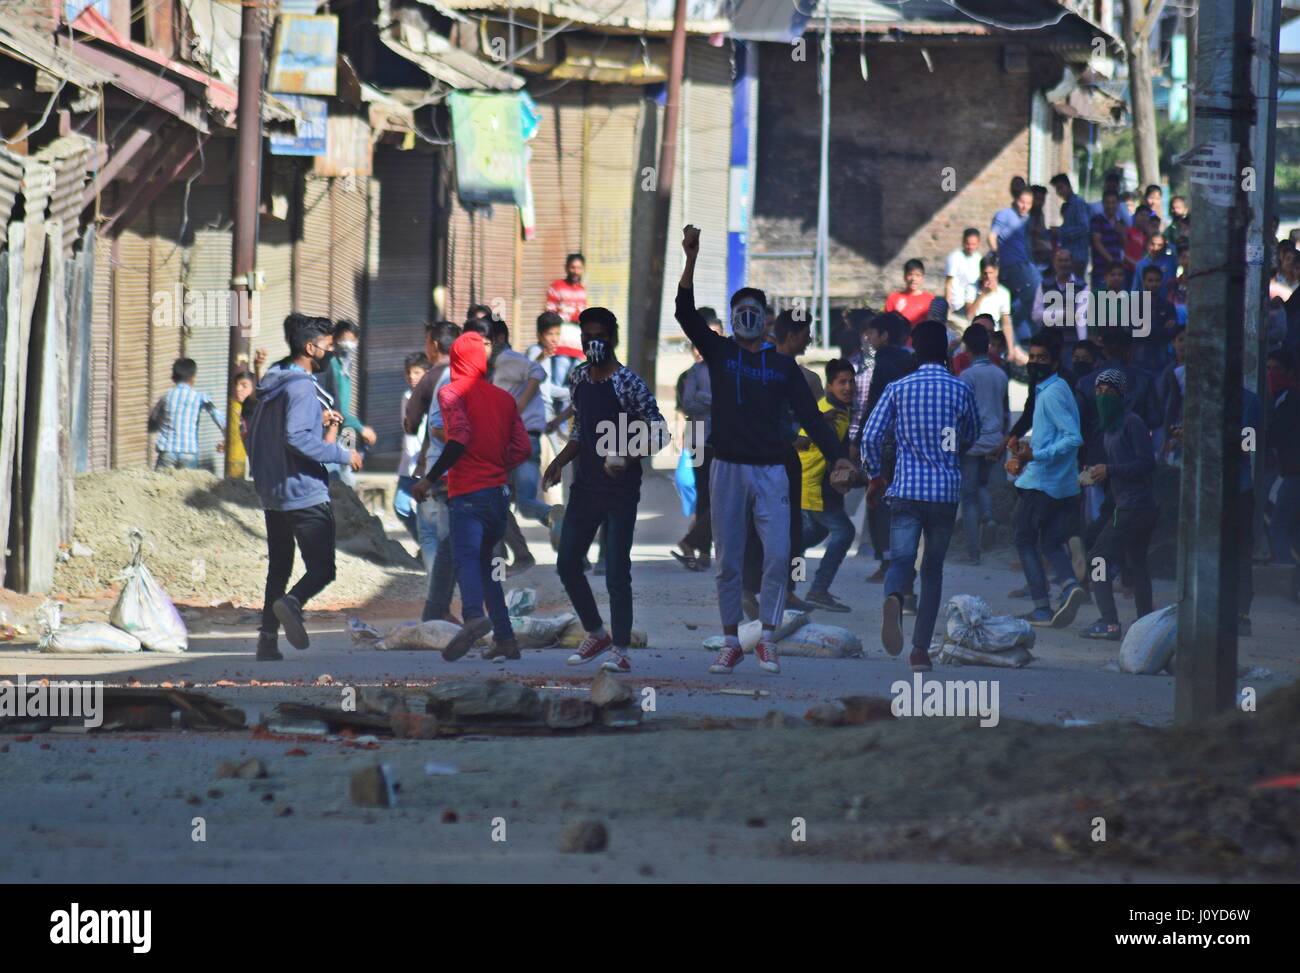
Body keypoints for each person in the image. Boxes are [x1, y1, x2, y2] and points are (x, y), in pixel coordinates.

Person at [676, 224, 852, 676]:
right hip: (728, 467)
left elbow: (812, 419)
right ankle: (732, 639)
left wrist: (839, 458)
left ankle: (767, 637)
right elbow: (684, 313)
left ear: (766, 319)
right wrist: (691, 257)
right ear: (734, 318)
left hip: (773, 469)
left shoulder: (782, 368)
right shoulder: (718, 353)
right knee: (727, 560)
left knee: (778, 556)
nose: (748, 318)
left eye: (755, 312)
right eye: (742, 311)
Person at [543, 307, 668, 673]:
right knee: (567, 563)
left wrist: (628, 457)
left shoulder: (628, 383)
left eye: (598, 336)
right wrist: (560, 461)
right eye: (585, 337)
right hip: (584, 488)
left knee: (616, 571)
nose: (591, 343)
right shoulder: (579, 378)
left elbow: (659, 430)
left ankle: (622, 649)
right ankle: (596, 633)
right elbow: (581, 430)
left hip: (620, 491)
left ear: (612, 338)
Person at [852, 320, 980, 671]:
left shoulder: (897, 388)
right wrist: (950, 453)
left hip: (906, 490)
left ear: (915, 349)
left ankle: (894, 596)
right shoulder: (960, 389)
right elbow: (971, 433)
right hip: (944, 494)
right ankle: (920, 652)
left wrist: (875, 476)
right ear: (945, 350)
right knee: (933, 571)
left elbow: (870, 437)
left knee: (901, 561)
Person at [245, 314, 363, 661]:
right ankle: (293, 602)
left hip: (274, 493)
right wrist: (342, 453)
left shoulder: (273, 384)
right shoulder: (300, 387)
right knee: (323, 569)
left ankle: (267, 641)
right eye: (327, 346)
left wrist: (320, 422)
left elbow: (262, 436)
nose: (331, 350)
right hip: (304, 491)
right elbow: (296, 438)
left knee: (279, 567)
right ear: (310, 348)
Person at [412, 331, 532, 663]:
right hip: (498, 498)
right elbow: (523, 448)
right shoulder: (503, 399)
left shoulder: (452, 393)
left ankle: (472, 615)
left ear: (456, 360)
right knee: (486, 567)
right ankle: (506, 640)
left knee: (465, 558)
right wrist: (495, 465)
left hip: (467, 494)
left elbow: (459, 437)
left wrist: (430, 478)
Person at [1006, 331, 1087, 627]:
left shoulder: (1051, 393)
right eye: (1032, 357)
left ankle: (1041, 607)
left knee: (1024, 538)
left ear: (1054, 362)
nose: (1035, 363)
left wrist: (1034, 456)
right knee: (1051, 541)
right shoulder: (1055, 388)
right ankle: (1069, 584)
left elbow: (1072, 438)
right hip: (1061, 485)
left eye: (1042, 358)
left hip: (1043, 484)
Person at [1078, 369, 1158, 640]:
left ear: (1120, 395)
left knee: (1097, 558)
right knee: (1137, 562)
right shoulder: (1109, 428)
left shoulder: (1132, 422)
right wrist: (1096, 476)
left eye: (1108, 391)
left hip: (1135, 507)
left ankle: (1109, 622)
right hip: (1126, 504)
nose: (1102, 396)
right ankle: (1146, 625)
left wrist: (1110, 470)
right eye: (1098, 391)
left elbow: (1147, 463)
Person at [489, 317, 556, 572]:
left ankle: (556, 518)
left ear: (499, 339)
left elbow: (538, 373)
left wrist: (517, 408)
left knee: (524, 503)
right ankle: (521, 555)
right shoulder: (498, 365)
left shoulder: (506, 358)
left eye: (486, 341)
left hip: (522, 438)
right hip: (516, 438)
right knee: (500, 501)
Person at [856, 311, 915, 583]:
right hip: (907, 444)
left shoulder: (884, 362)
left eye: (873, 333)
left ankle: (886, 562)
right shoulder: (910, 360)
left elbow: (874, 406)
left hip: (884, 445)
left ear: (885, 336)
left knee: (878, 501)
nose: (868, 337)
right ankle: (902, 560)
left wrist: (858, 442)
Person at [794, 359, 856, 611]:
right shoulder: (825, 413)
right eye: (842, 382)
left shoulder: (841, 410)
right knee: (844, 532)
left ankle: (777, 570)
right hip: (815, 485)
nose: (848, 387)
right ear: (830, 385)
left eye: (851, 381)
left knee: (815, 533)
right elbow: (804, 443)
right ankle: (818, 590)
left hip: (818, 485)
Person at [412, 322, 462, 624]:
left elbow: (435, 430)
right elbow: (442, 433)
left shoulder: (444, 378)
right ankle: (444, 608)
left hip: (447, 472)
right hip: (450, 473)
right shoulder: (452, 380)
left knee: (444, 540)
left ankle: (443, 607)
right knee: (447, 540)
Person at [956, 323, 1009, 564]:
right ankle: (989, 518)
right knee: (983, 485)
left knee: (967, 496)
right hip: (994, 440)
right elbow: (1005, 410)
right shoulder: (1000, 374)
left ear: (967, 347)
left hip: (971, 443)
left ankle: (973, 551)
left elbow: (961, 411)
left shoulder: (966, 376)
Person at [675, 315, 720, 571]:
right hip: (699, 437)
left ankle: (694, 541)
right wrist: (713, 401)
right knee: (705, 494)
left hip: (726, 437)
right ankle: (702, 549)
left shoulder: (728, 366)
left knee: (722, 495)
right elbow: (689, 405)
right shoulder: (690, 374)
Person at [318, 320, 376, 486]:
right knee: (335, 480)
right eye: (344, 340)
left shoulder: (345, 366)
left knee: (346, 477)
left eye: (352, 340)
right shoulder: (331, 365)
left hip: (341, 428)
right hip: (328, 431)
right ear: (334, 340)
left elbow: (344, 412)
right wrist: (361, 428)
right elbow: (340, 409)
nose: (348, 345)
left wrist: (351, 438)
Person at [149, 357, 226, 470]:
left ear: (173, 378)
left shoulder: (165, 397)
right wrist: (228, 437)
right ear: (193, 378)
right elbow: (218, 417)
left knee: (161, 485)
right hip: (189, 452)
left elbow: (153, 420)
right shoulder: (200, 397)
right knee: (187, 486)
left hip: (167, 452)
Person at [1266, 349, 1300, 600]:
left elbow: (1273, 436)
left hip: (1293, 473)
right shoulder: (1280, 400)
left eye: (1275, 368)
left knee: (1279, 523)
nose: (1270, 374)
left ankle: (1286, 577)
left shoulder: (1290, 402)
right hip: (1286, 472)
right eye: (1267, 368)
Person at [989, 184, 1038, 347]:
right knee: (1036, 290)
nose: (1025, 207)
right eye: (1022, 202)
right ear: (1016, 200)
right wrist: (996, 255)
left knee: (1015, 299)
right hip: (1012, 265)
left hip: (1023, 263)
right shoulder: (1005, 215)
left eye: (1029, 204)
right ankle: (1014, 324)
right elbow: (992, 236)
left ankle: (1013, 331)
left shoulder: (1025, 219)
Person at [394, 352, 430, 543]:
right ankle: (425, 544)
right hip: (408, 464)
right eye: (409, 373)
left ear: (426, 373)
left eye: (417, 372)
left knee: (427, 513)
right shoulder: (407, 397)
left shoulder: (433, 398)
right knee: (401, 506)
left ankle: (430, 550)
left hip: (425, 464)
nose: (412, 377)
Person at [1032, 246, 1090, 349]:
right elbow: (1036, 315)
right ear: (1054, 263)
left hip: (1071, 341)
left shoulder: (1082, 287)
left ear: (1072, 262)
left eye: (1066, 260)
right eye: (1060, 260)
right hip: (1048, 340)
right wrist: (1061, 314)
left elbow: (1081, 318)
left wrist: (1082, 344)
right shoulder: (1044, 286)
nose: (1063, 264)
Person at [966, 256, 1020, 365]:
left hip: (994, 338)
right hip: (976, 335)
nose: (988, 277)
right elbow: (969, 314)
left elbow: (1006, 322)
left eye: (991, 273)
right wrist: (983, 294)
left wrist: (1010, 347)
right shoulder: (972, 289)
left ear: (996, 272)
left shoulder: (1004, 293)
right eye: (985, 273)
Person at [1050, 173, 1091, 278]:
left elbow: (1084, 227)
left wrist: (1061, 231)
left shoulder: (1077, 203)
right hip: (1069, 255)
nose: (1059, 192)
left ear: (1068, 186)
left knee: (1075, 288)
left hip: (1078, 256)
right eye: (1057, 189)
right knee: (1068, 288)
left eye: (1061, 188)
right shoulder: (1067, 205)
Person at [546, 253, 588, 349]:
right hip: (561, 340)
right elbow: (549, 314)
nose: (575, 271)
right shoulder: (557, 287)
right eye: (572, 267)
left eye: (579, 268)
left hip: (577, 342)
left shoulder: (582, 290)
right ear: (566, 268)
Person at [945, 228, 983, 327]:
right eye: (968, 244)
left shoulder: (979, 259)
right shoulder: (954, 257)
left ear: (978, 243)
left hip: (971, 306)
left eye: (973, 244)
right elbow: (948, 283)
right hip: (956, 305)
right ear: (963, 242)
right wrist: (947, 306)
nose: (970, 247)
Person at [1089, 191, 1126, 291]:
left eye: (1113, 203)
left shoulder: (1120, 222)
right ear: (1103, 204)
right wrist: (1111, 260)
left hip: (1117, 270)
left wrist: (1121, 232)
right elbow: (1097, 242)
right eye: (1108, 203)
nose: (1111, 206)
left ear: (1118, 204)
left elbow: (1124, 245)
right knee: (1101, 300)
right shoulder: (1097, 220)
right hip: (1101, 268)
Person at [884, 259, 937, 329]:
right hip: (898, 339)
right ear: (904, 277)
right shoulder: (893, 298)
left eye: (918, 275)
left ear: (922, 278)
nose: (913, 279)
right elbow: (886, 324)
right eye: (910, 274)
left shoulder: (930, 300)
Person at [226, 369, 258, 479]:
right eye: (237, 385)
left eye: (244, 386)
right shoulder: (239, 408)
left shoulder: (256, 407)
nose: (238, 389)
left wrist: (257, 366)